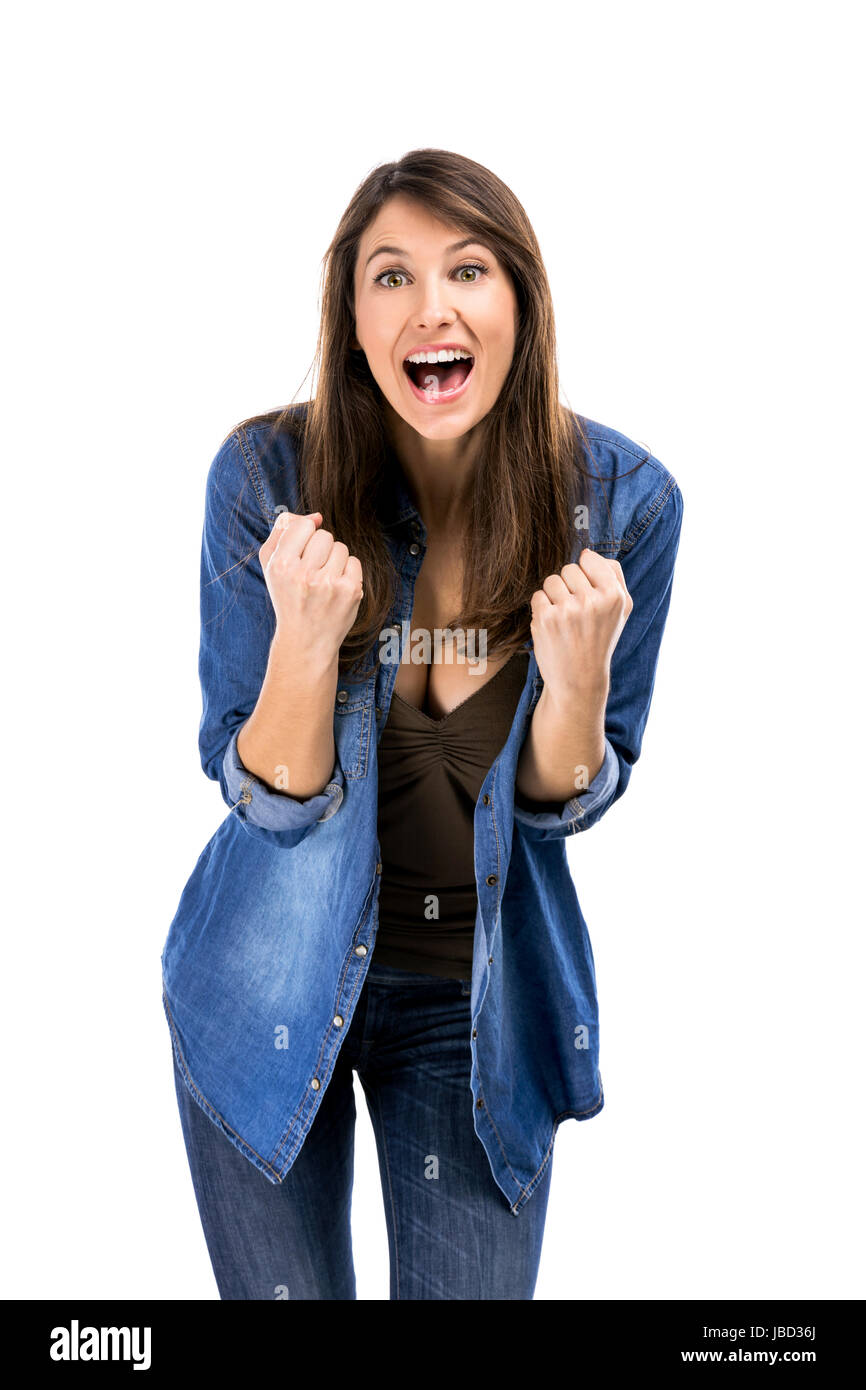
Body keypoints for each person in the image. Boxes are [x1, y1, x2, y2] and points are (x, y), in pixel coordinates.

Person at [161, 147, 685, 1300]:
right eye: (389, 276)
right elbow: (267, 795)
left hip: (473, 1008)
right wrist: (304, 637)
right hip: (266, 982)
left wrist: (579, 676)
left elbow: (557, 806)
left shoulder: (623, 504)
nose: (429, 306)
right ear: (351, 316)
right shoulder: (264, 478)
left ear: (520, 303)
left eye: (468, 270)